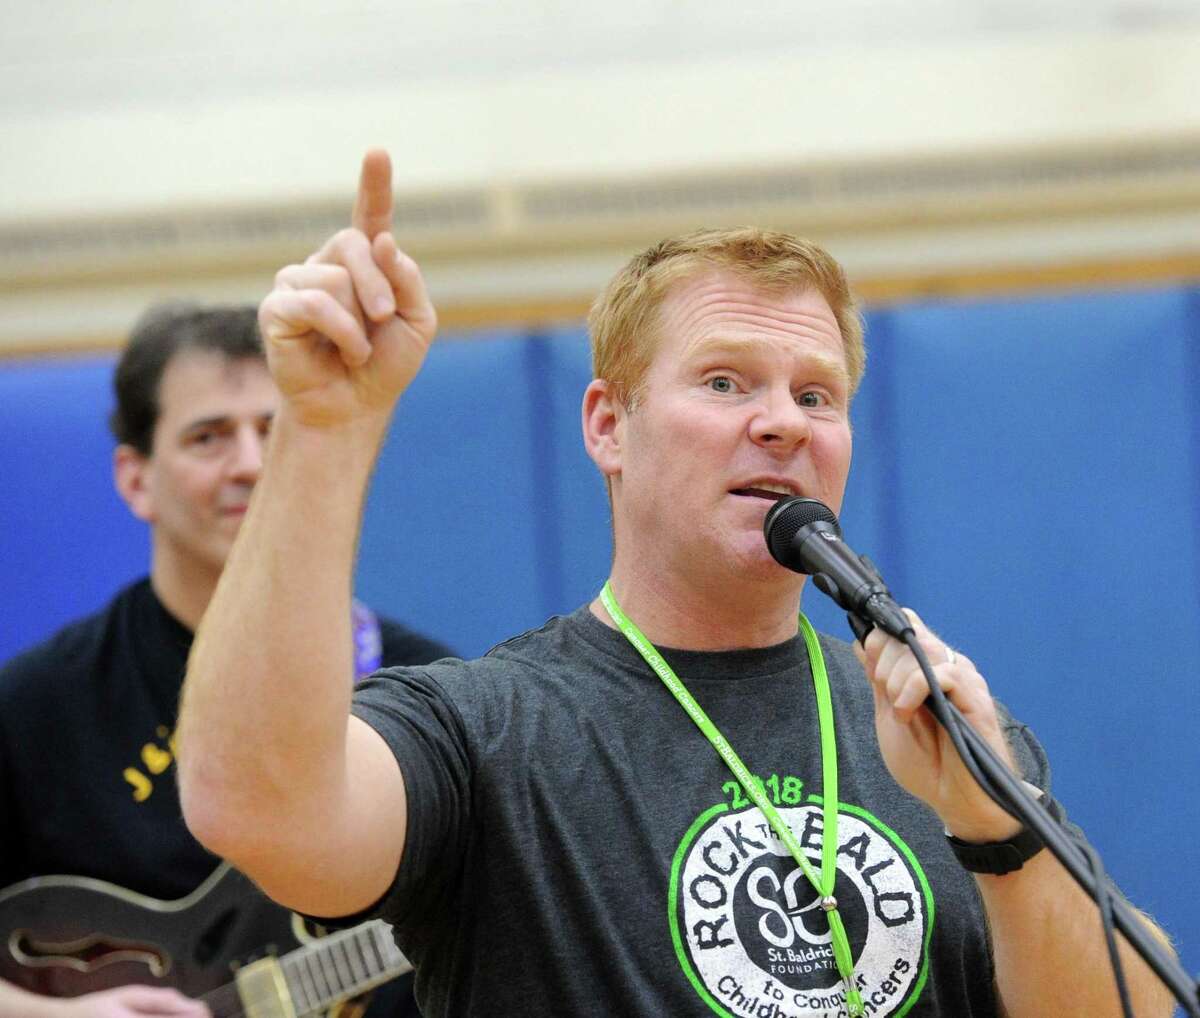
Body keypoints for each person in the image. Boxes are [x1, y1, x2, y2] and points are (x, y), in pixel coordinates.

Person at [175, 151, 1174, 1017]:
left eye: (815, 393)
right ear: (608, 426)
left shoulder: (935, 727)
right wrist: (321, 431)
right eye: (726, 381)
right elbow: (255, 805)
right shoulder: (487, 732)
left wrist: (997, 828)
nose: (783, 420)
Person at [0, 303, 453, 1018]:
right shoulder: (32, 710)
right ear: (135, 478)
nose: (251, 463)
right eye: (209, 436)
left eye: (276, 431)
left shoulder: (430, 691)